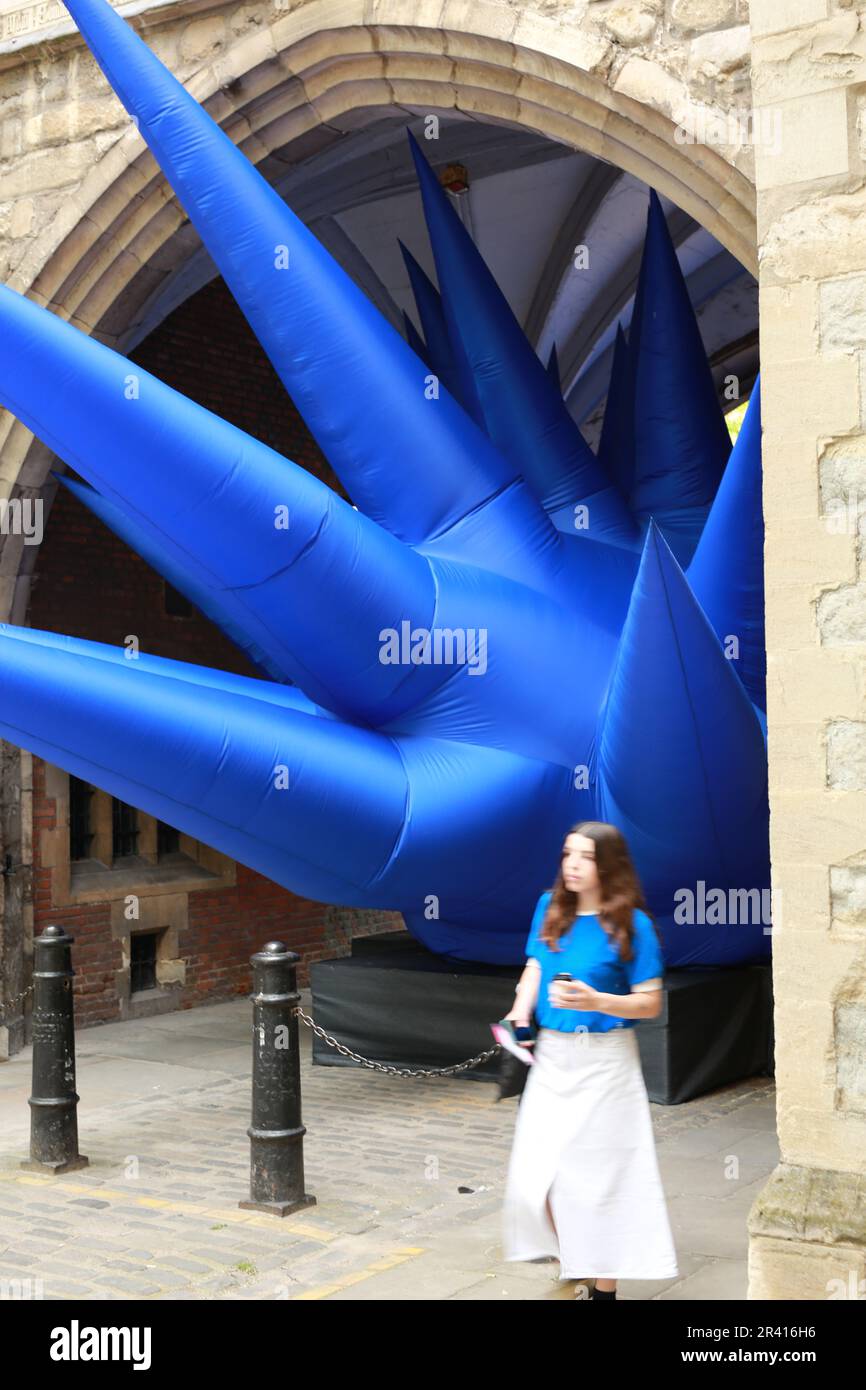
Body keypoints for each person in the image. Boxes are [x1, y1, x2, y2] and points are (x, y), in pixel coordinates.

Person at [501, 820, 679, 1300]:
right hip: (554, 1059)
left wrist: (598, 1001)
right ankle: (574, 1259)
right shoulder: (550, 906)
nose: (572, 865)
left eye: (585, 857)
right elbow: (536, 965)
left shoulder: (632, 924)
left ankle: (604, 1287)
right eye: (567, 854)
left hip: (606, 1062)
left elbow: (649, 1004)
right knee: (534, 1179)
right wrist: (521, 1009)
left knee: (603, 1178)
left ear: (608, 866)